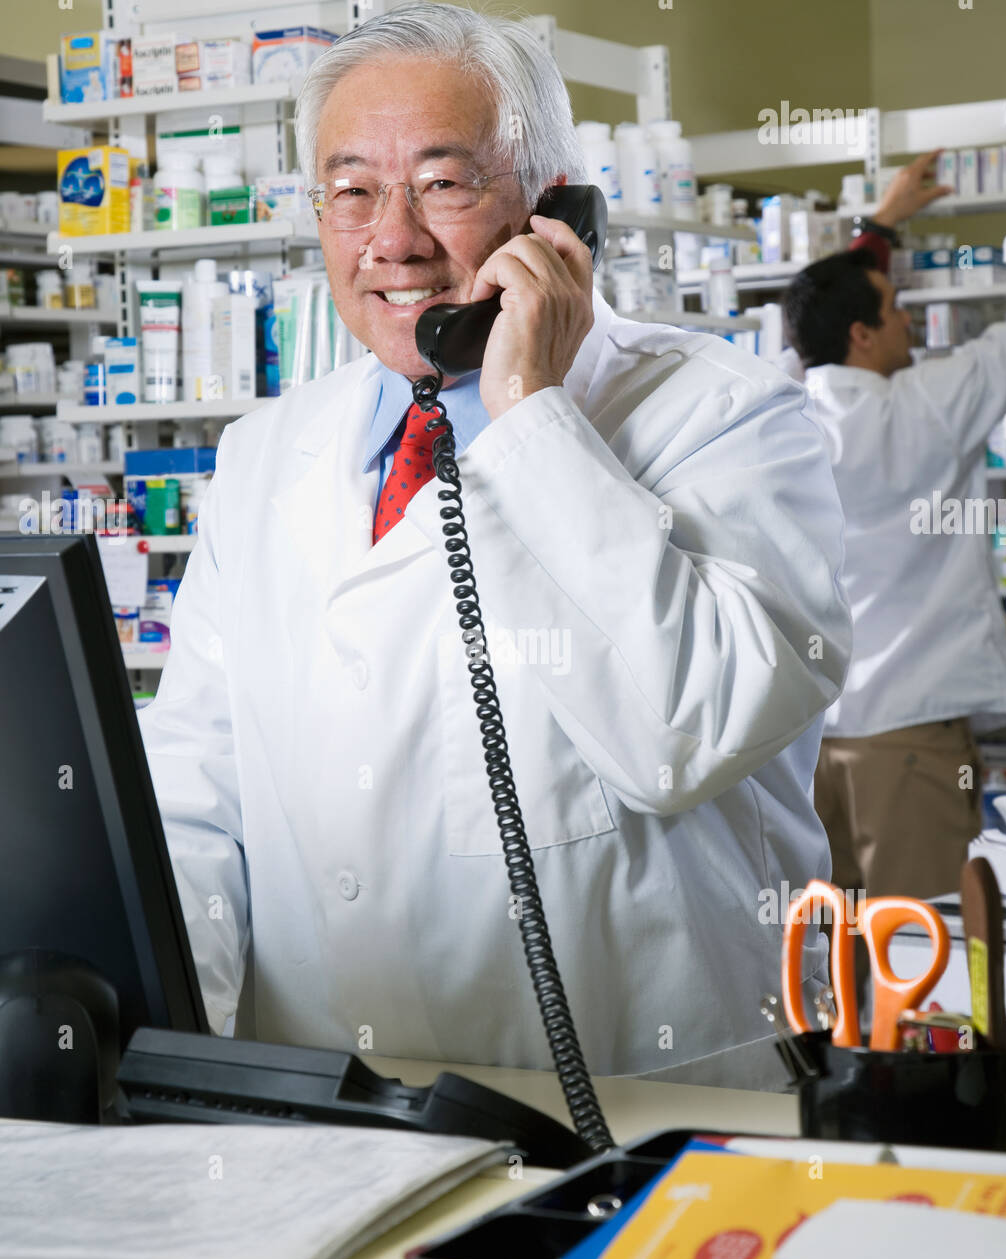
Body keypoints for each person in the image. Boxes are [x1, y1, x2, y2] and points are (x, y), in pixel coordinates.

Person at [140, 3, 850, 1092]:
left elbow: (685, 732)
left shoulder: (733, 420)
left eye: (443, 183)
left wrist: (528, 415)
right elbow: (192, 801)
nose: (393, 240)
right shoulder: (262, 457)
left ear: (553, 210)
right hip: (327, 1111)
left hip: (645, 1102)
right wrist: (170, 1057)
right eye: (352, 189)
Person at [784, 150, 1006, 901]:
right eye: (895, 312)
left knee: (823, 956)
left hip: (807, 741)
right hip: (909, 739)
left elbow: (824, 305)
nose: (908, 324)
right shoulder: (923, 407)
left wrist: (880, 225)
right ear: (863, 335)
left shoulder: (784, 411)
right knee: (921, 954)